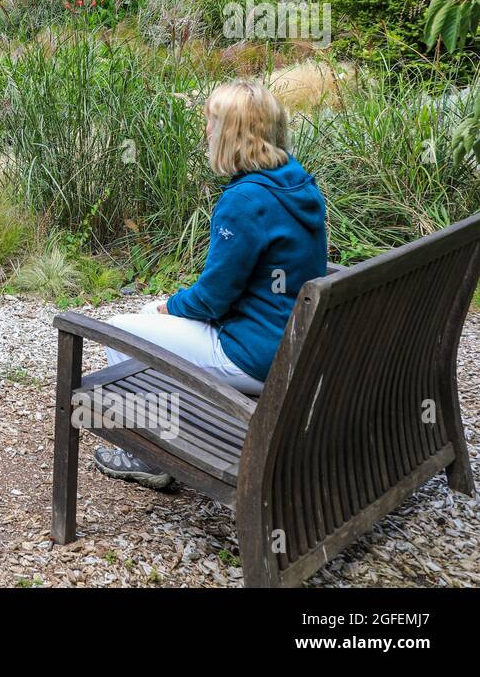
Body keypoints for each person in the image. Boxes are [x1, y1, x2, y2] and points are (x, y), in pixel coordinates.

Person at [93, 80, 328, 489]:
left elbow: (213, 299)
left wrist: (171, 305)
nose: (207, 131)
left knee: (119, 329)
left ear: (234, 135)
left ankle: (147, 454)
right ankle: (168, 425)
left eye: (213, 122)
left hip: (254, 355)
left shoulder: (245, 200)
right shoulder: (298, 183)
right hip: (295, 342)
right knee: (148, 317)